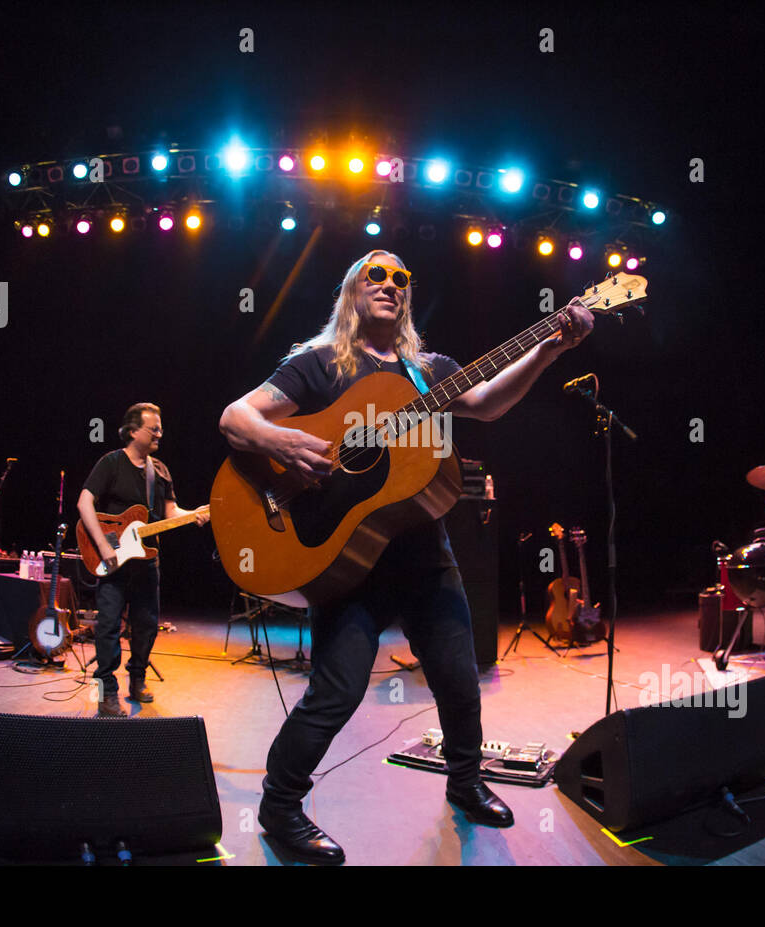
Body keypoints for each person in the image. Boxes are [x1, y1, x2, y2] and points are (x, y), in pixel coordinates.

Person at [219, 250, 594, 863]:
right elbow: (236, 418)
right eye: (377, 275)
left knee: (457, 678)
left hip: (423, 553)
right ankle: (279, 806)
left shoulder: (430, 372)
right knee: (335, 694)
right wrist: (282, 439)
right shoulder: (318, 365)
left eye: (401, 278)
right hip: (345, 560)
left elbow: (489, 403)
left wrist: (551, 347)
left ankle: (467, 783)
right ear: (352, 292)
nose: (391, 284)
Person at [77, 403, 207, 717]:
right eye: (154, 428)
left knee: (146, 625)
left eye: (161, 428)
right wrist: (103, 546)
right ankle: (105, 692)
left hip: (148, 561)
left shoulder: (159, 470)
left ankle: (137, 680)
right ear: (133, 431)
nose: (160, 433)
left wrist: (196, 515)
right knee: (107, 626)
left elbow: (169, 513)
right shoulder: (111, 463)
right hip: (113, 560)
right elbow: (84, 502)